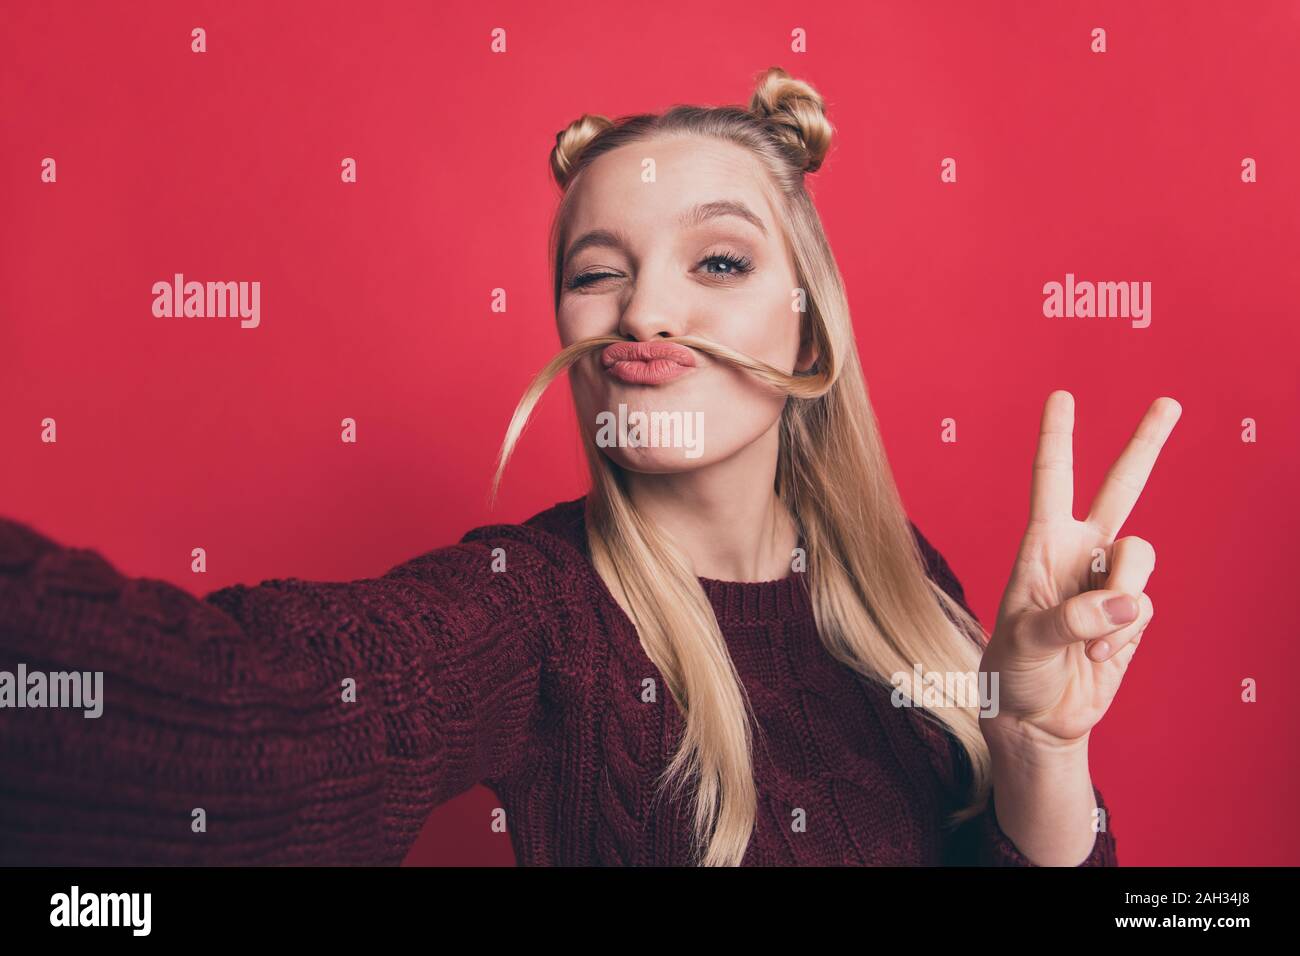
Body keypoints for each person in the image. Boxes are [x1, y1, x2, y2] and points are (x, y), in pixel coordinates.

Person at [0, 66, 1179, 867]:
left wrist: (1040, 746)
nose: (645, 310)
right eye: (596, 270)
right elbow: (248, 722)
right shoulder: (531, 606)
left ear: (808, 327)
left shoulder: (901, 585)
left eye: (716, 261)